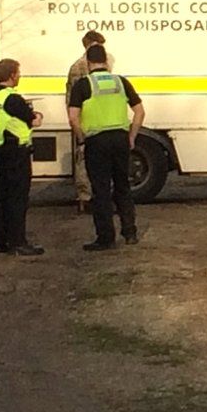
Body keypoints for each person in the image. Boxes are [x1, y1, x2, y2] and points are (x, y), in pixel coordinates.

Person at [67, 45, 144, 251]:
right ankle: (130, 232)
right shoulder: (121, 82)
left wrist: (82, 138)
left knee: (101, 190)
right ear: (106, 62)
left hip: (96, 141)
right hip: (120, 139)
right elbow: (139, 112)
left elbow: (73, 117)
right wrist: (132, 137)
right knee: (122, 186)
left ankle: (106, 238)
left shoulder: (83, 85)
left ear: (88, 63)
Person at [0, 59, 45, 256]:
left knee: (2, 198)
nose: (19, 76)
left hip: (1, 151)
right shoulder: (13, 99)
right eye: (18, 73)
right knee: (18, 199)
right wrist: (37, 115)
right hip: (17, 153)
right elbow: (33, 121)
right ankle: (18, 243)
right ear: (11, 75)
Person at [66, 30, 116, 214]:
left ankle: (91, 198)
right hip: (89, 120)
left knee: (91, 161)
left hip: (95, 119)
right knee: (84, 160)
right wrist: (77, 126)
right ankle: (86, 199)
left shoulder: (81, 65)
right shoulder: (81, 67)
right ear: (90, 45)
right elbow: (76, 97)